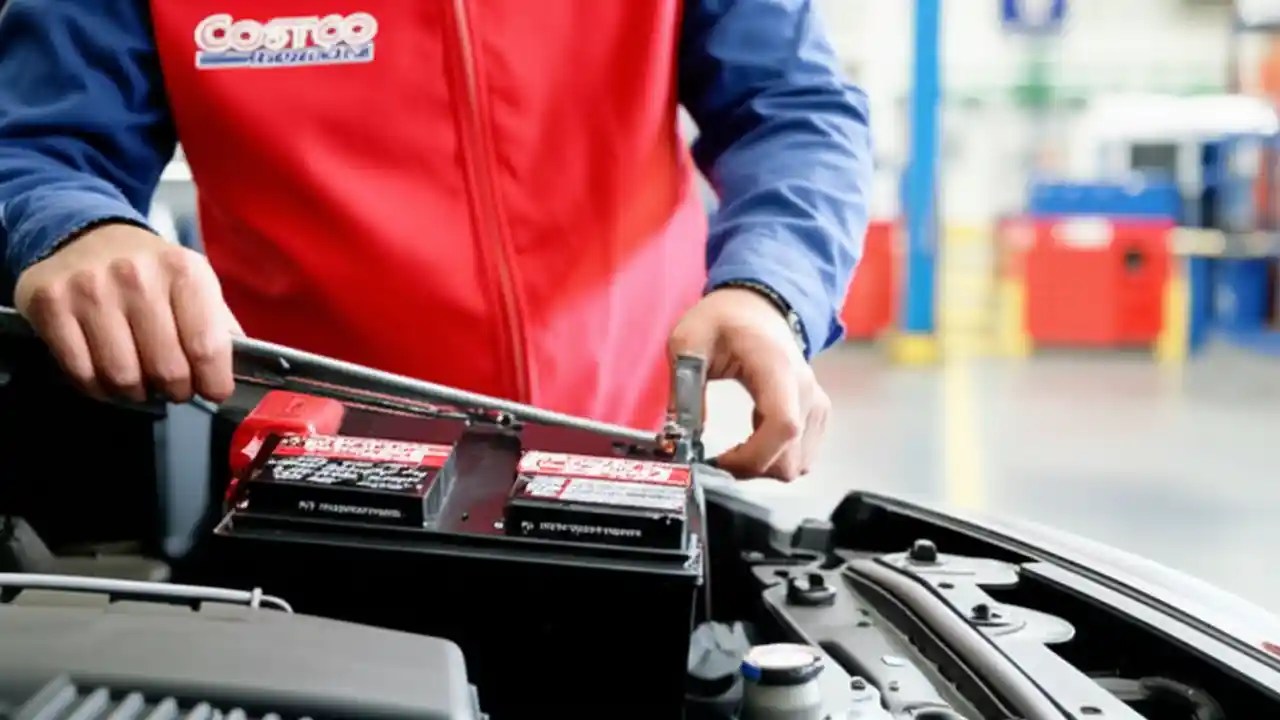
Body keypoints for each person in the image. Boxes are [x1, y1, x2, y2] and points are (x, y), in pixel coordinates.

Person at [0, 0, 871, 482]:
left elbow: (793, 110)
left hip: (622, 465)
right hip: (311, 479)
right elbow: (35, 142)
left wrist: (770, 288)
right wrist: (75, 228)